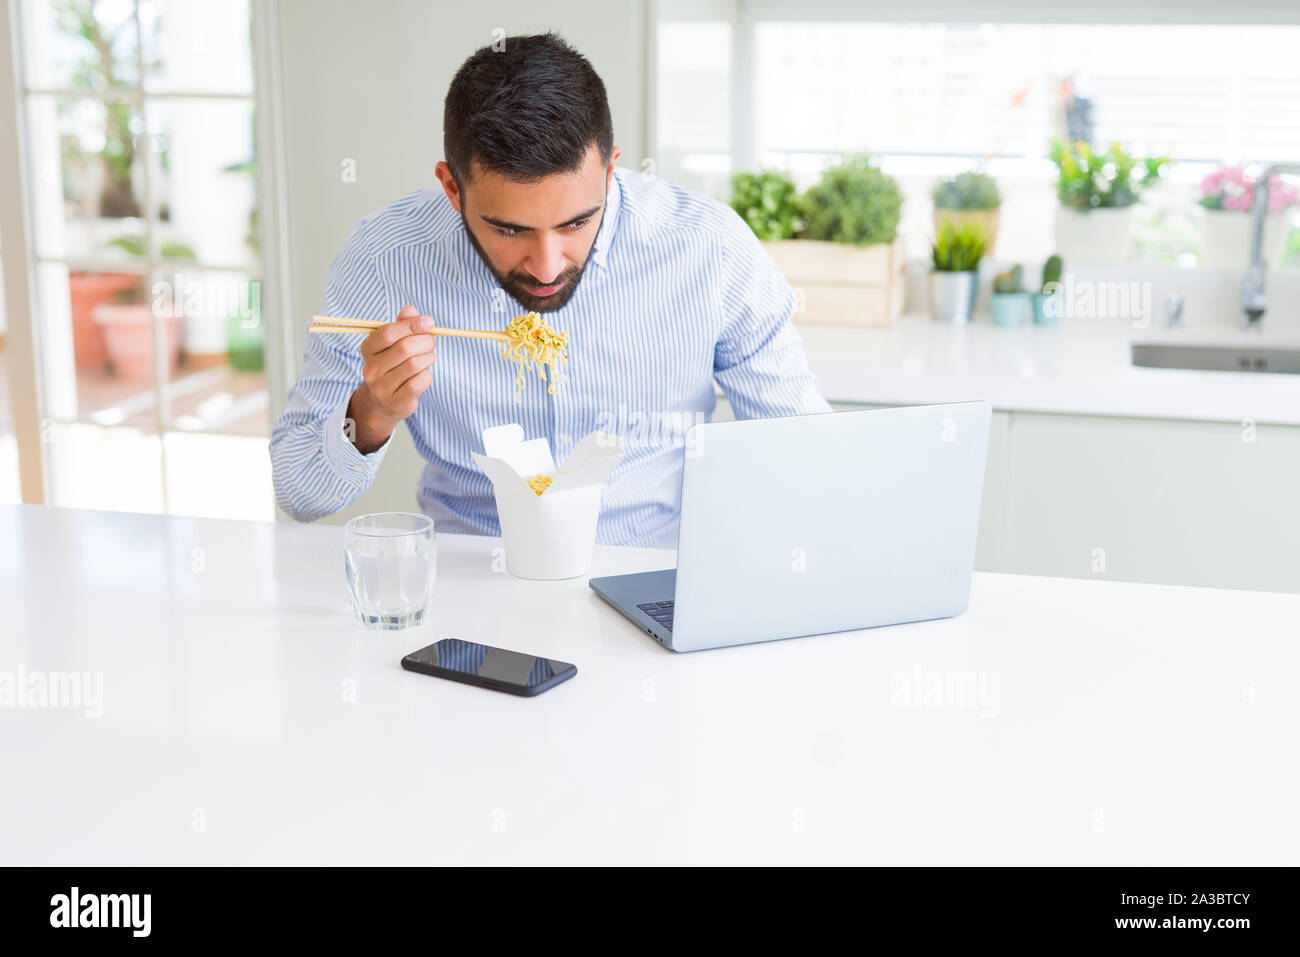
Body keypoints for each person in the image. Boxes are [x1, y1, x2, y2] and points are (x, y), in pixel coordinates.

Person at [270, 32, 830, 549]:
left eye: (575, 223)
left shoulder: (709, 248)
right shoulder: (385, 258)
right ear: (451, 188)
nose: (545, 266)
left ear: (610, 172)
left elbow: (808, 455)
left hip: (649, 575)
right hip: (472, 580)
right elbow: (299, 492)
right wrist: (370, 413)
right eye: (509, 229)